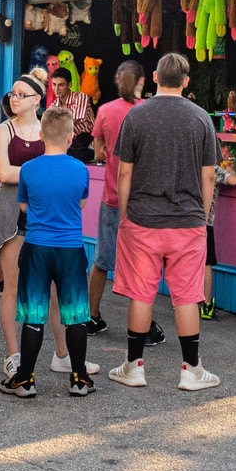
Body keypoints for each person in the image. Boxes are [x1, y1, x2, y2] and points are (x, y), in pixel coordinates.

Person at [109, 52, 222, 391]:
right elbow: (208, 176)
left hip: (143, 220)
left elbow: (124, 171)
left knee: (141, 294)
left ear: (155, 76)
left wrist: (126, 213)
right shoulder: (202, 119)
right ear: (186, 81)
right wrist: (201, 217)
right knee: (187, 295)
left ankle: (134, 367)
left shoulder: (136, 116)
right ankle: (191, 370)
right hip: (187, 222)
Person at [0, 108, 96, 399]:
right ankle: (79, 379)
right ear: (70, 137)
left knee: (33, 314)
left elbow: (25, 207)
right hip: (70, 248)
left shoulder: (29, 169)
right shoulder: (80, 169)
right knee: (75, 314)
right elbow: (80, 204)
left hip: (36, 247)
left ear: (41, 136)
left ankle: (25, 379)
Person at [0, 74, 45, 375]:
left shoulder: (48, 129)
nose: (14, 98)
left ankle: (63, 354)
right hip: (10, 215)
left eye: (22, 94)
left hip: (43, 214)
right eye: (12, 94)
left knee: (51, 288)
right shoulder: (2, 129)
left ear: (37, 100)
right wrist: (43, 171)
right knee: (12, 285)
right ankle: (13, 353)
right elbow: (4, 173)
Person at [87, 59, 149, 333]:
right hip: (142, 198)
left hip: (112, 195)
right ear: (141, 82)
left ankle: (91, 315)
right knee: (141, 265)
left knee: (102, 260)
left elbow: (98, 150)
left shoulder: (105, 110)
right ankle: (141, 325)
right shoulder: (147, 111)